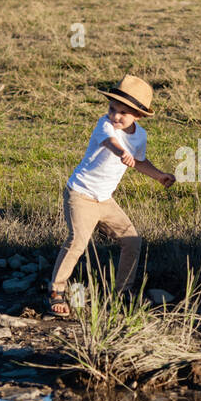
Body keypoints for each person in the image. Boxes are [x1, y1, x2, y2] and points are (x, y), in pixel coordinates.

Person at [48, 74, 176, 317]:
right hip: (81, 194)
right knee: (78, 240)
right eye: (112, 108)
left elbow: (139, 161)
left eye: (123, 113)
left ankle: (122, 292)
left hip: (105, 199)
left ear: (137, 116)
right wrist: (122, 153)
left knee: (132, 241)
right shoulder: (104, 125)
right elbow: (110, 143)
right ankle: (57, 291)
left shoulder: (140, 136)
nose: (115, 116)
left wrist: (159, 175)